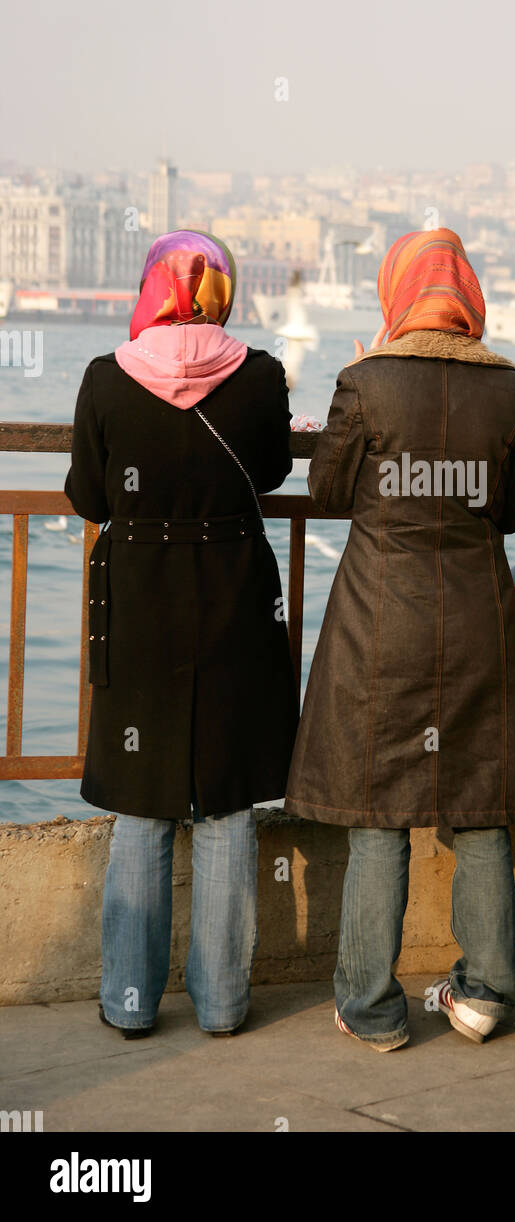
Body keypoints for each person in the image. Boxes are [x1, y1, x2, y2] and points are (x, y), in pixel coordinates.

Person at [285, 228, 515, 1050]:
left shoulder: (367, 382)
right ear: (467, 296)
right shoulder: (513, 390)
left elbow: (327, 493)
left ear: (399, 292)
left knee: (376, 812)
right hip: (476, 625)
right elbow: (509, 511)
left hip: (380, 624)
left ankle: (371, 1008)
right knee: (482, 809)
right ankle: (486, 995)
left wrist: (362, 380)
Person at [65, 229, 297, 1038]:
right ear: (221, 291)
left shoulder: (105, 378)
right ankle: (225, 1003)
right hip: (234, 597)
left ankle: (129, 999)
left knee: (142, 797)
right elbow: (270, 473)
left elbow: (90, 495)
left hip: (139, 603)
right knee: (227, 801)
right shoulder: (260, 374)